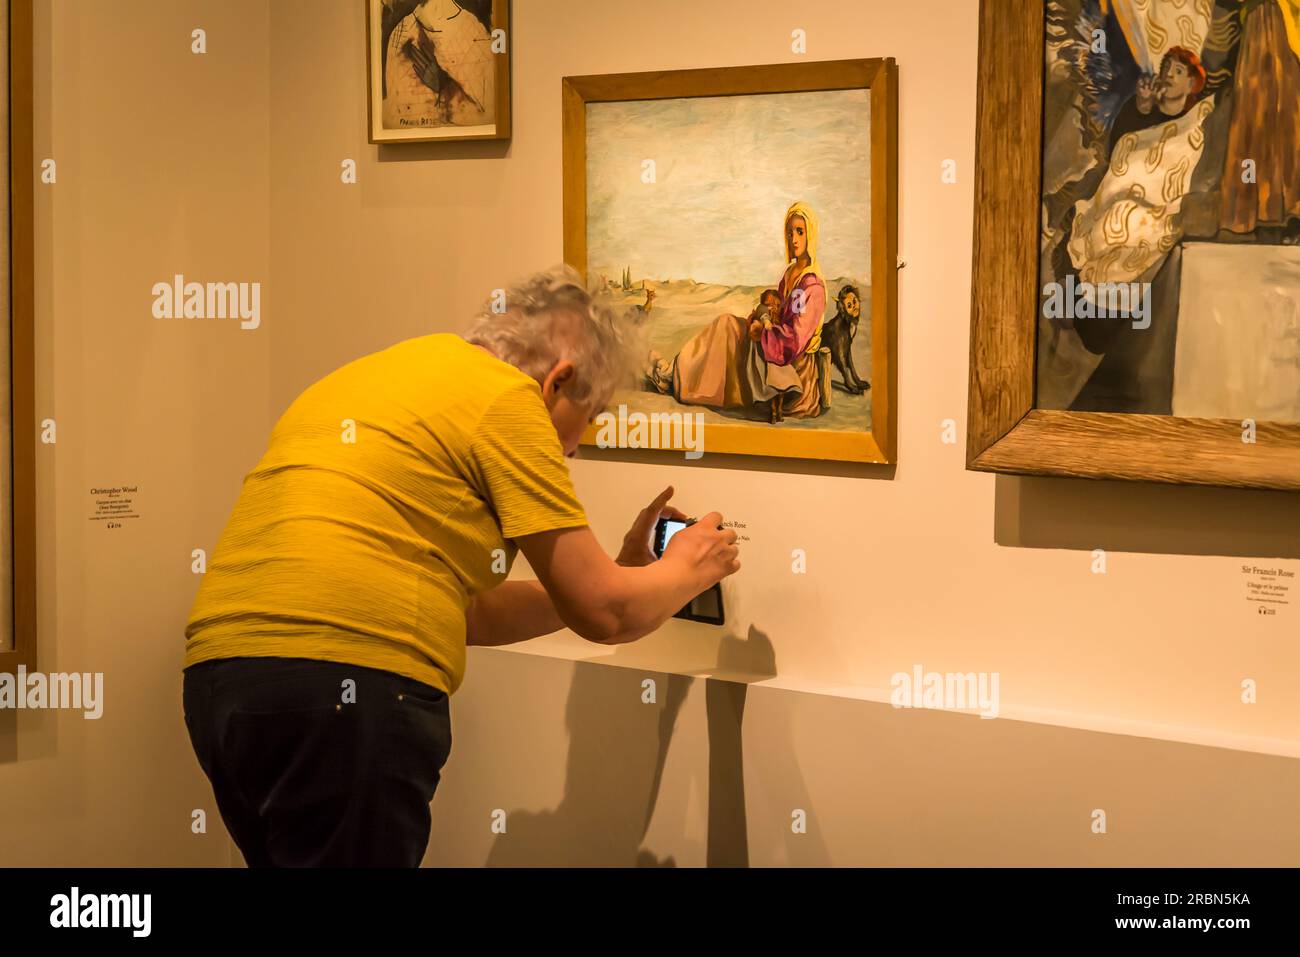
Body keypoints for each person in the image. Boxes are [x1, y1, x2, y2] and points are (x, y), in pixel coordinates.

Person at [181, 265, 741, 867]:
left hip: (223, 683)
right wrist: (690, 566)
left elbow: (470, 612)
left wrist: (618, 573)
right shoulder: (506, 398)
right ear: (560, 380)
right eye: (592, 416)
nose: (576, 449)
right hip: (348, 690)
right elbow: (606, 614)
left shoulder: (383, 376)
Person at [646, 202, 827, 423]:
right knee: (726, 325)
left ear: (812, 234)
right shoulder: (791, 273)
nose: (794, 239)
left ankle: (676, 378)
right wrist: (760, 317)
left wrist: (764, 330)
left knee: (730, 331)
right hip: (773, 341)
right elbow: (777, 311)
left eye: (800, 231)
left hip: (790, 365)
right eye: (790, 233)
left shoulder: (811, 286)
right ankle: (679, 373)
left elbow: (794, 340)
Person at [1106, 45, 1206, 154]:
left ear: (1191, 84)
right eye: (1167, 67)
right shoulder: (1137, 105)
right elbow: (1116, 150)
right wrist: (1143, 110)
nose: (1169, 74)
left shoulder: (1192, 122)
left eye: (1178, 71)